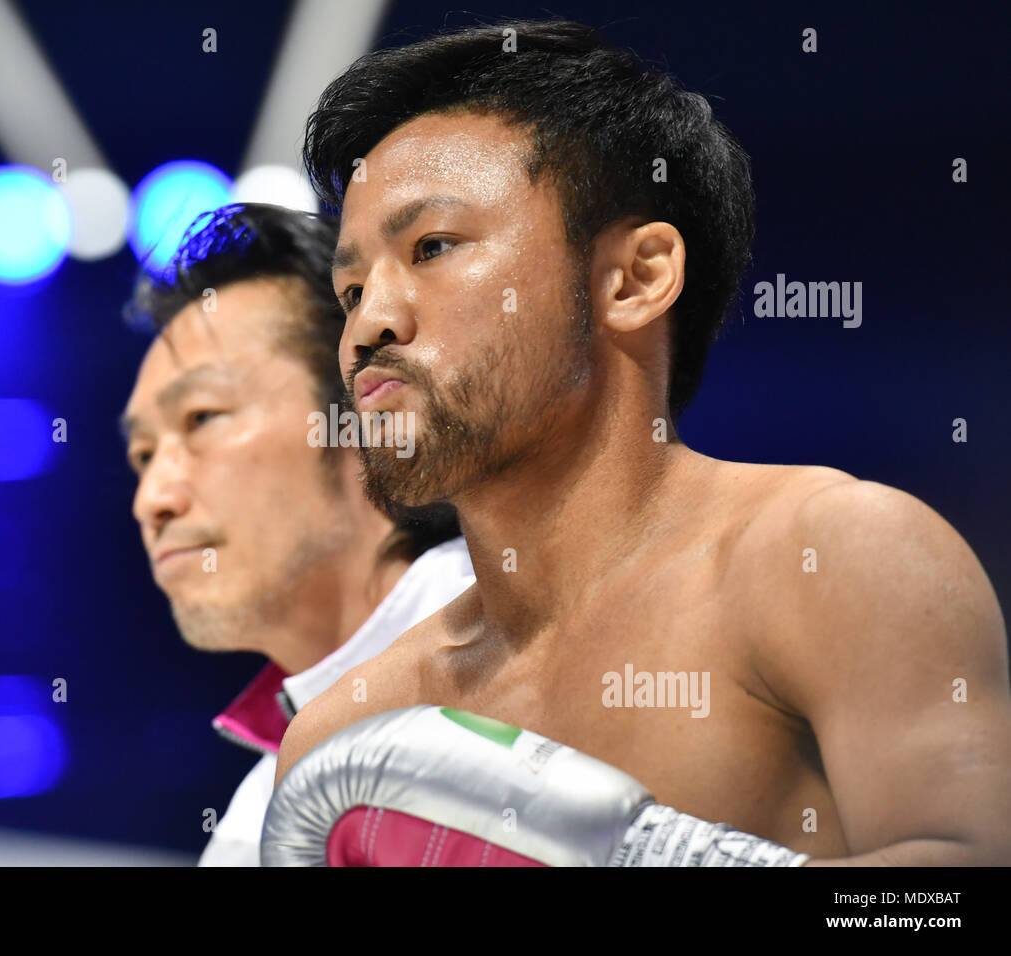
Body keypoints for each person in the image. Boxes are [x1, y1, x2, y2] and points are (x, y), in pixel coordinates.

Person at [269, 19, 1011, 865]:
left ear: (635, 278)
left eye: (432, 246)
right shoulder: (355, 726)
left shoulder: (834, 556)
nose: (369, 322)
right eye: (352, 286)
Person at [119, 203, 474, 866]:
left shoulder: (554, 654)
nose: (153, 498)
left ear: (367, 414)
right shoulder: (257, 820)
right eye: (142, 455)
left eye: (201, 417)